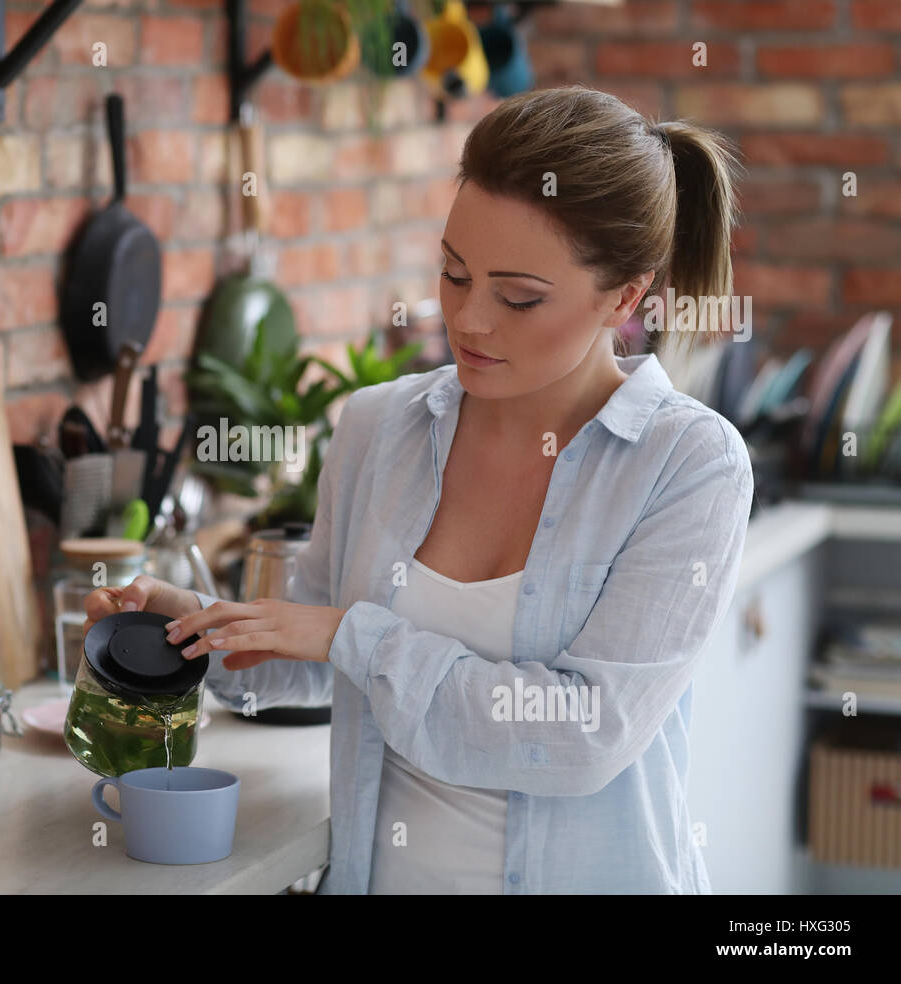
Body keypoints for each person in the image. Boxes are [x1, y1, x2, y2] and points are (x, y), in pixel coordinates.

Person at [84, 85, 754, 894]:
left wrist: (350, 637)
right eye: (452, 273)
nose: (467, 320)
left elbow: (581, 736)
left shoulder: (688, 465)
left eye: (518, 297)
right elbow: (308, 667)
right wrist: (192, 624)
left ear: (624, 296)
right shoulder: (379, 428)